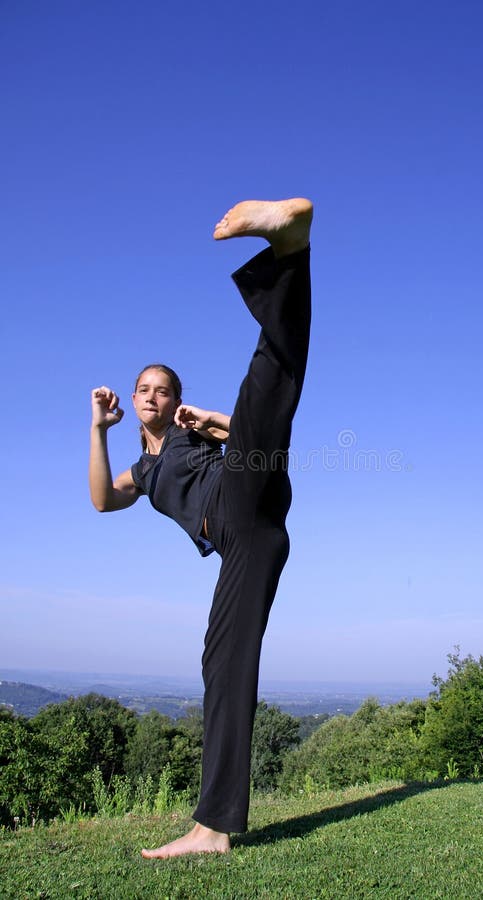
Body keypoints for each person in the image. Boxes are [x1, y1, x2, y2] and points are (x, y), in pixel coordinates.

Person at [89, 198, 313, 857]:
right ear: (133, 403)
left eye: (163, 388)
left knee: (263, 394)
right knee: (222, 663)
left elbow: (240, 434)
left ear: (171, 398)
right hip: (247, 539)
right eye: (144, 390)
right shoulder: (140, 467)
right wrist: (96, 435)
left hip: (245, 489)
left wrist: (205, 417)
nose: (153, 395)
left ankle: (290, 250)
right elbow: (102, 501)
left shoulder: (189, 433)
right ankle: (213, 828)